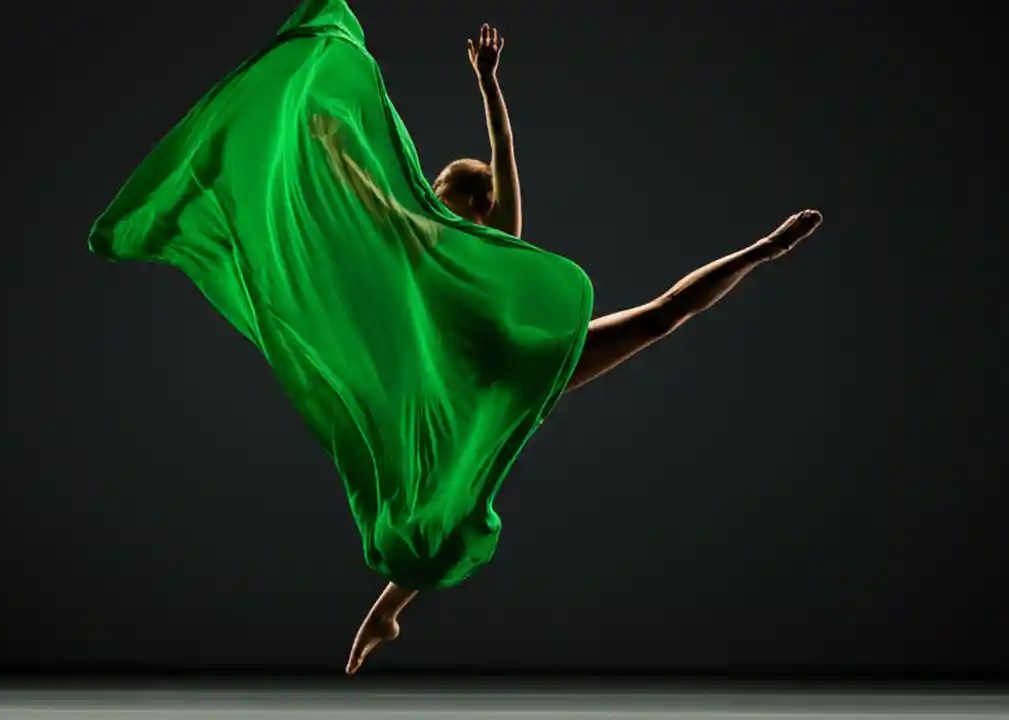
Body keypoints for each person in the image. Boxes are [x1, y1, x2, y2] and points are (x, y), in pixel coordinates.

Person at [336, 23, 823, 675]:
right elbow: (378, 205)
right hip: (465, 385)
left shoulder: (498, 239)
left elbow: (503, 151)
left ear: (475, 203)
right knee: (448, 498)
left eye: (445, 188)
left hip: (524, 363)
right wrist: (338, 155)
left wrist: (488, 84)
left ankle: (764, 249)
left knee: (659, 317)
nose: (433, 195)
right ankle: (387, 608)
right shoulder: (425, 245)